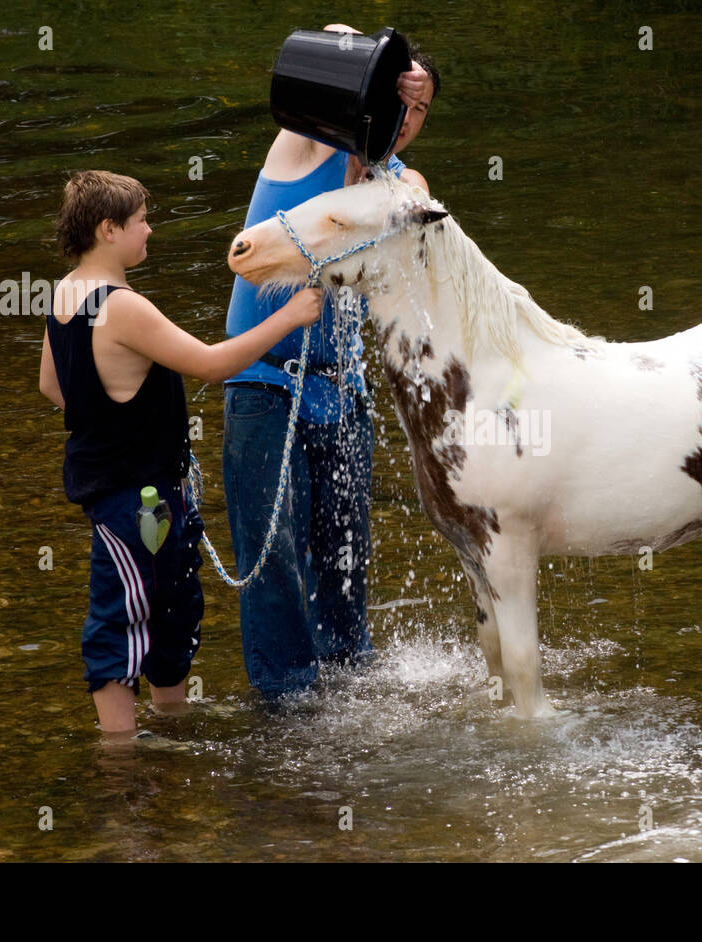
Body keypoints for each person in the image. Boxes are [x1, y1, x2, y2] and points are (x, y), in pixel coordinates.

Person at [39, 170, 322, 737]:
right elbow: (213, 364)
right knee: (123, 615)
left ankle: (171, 724)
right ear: (108, 229)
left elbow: (53, 386)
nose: (150, 230)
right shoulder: (121, 306)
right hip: (135, 494)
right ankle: (118, 751)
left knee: (170, 602)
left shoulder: (64, 294)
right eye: (142, 220)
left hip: (137, 491)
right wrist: (288, 317)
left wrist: (111, 405)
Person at [222, 25, 439, 697]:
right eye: (400, 99)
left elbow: (423, 213)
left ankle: (349, 681)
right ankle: (286, 703)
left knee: (347, 557)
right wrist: (392, 62)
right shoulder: (305, 147)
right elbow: (336, 39)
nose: (406, 118)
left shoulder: (397, 184)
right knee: (275, 555)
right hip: (264, 383)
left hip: (342, 393)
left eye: (421, 112)